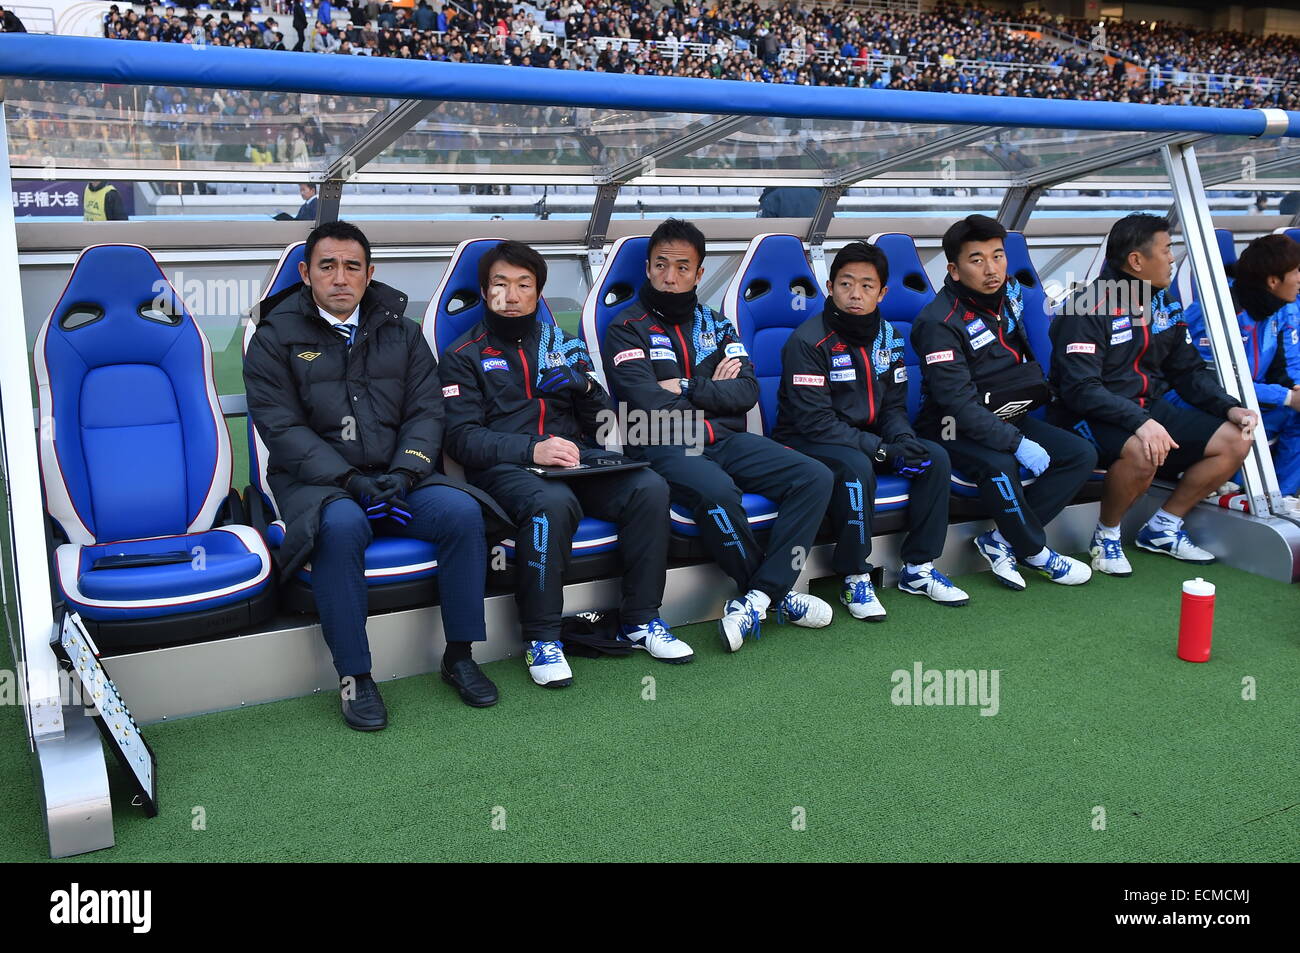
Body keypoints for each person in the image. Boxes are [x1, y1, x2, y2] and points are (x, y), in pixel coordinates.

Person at [243, 221, 509, 730]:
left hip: (398, 477)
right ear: (306, 273)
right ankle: (356, 677)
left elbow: (427, 413)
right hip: (319, 484)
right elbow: (282, 428)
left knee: (460, 511)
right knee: (341, 527)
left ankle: (459, 655)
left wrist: (407, 471)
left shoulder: (402, 332)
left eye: (351, 266)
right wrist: (348, 480)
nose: (340, 277)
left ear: (369, 273)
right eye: (327, 266)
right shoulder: (273, 337)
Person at [439, 240, 691, 688]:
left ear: (538, 293)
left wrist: (586, 389)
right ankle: (542, 636)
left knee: (648, 487)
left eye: (524, 285)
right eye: (500, 285)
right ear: (484, 291)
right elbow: (462, 439)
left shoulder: (563, 344)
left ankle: (640, 619)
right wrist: (531, 448)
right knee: (552, 504)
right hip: (505, 468)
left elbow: (599, 421)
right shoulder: (463, 355)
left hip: (573, 457)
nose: (512, 295)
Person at [601, 219, 835, 651]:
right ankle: (777, 596)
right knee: (717, 493)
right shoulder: (624, 326)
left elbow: (745, 392)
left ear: (699, 274)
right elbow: (647, 402)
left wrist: (688, 385)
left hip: (726, 439)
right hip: (660, 441)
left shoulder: (717, 324)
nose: (671, 277)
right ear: (648, 269)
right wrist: (712, 389)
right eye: (661, 266)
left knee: (814, 476)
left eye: (682, 267)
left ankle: (761, 595)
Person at [1050, 213, 1258, 573]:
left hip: (1146, 409)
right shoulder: (1085, 307)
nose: (1172, 258)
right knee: (1146, 448)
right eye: (1166, 250)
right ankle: (1107, 537)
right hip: (1087, 415)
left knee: (1236, 438)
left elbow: (1188, 371)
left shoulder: (1166, 305)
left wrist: (1230, 408)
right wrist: (1141, 423)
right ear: (1136, 261)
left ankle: (1163, 527)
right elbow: (1080, 389)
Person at [773, 242, 969, 621]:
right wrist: (881, 450)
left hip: (866, 438)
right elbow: (815, 421)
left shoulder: (890, 337)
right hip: (805, 440)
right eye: (846, 284)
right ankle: (854, 574)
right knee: (857, 467)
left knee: (934, 457)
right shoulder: (807, 340)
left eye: (866, 285)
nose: (856, 294)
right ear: (830, 288)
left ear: (883, 293)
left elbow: (893, 406)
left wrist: (903, 442)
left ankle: (918, 568)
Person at [912, 214, 1096, 591]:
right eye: (977, 260)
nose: (991, 268)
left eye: (998, 256)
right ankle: (1034, 551)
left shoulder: (1005, 299)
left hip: (1005, 414)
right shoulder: (938, 322)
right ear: (955, 269)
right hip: (951, 427)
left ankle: (1001, 541)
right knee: (998, 463)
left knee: (1080, 454)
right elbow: (957, 405)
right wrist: (1017, 443)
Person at [1179, 234, 1300, 501]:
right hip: (1205, 406)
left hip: (1248, 401)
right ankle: (1219, 484)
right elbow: (1211, 384)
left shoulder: (1278, 308)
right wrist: (1288, 397)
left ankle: (1281, 497)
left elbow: (1281, 368)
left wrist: (1294, 389)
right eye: (1295, 272)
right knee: (1246, 424)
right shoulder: (1216, 312)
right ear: (1272, 280)